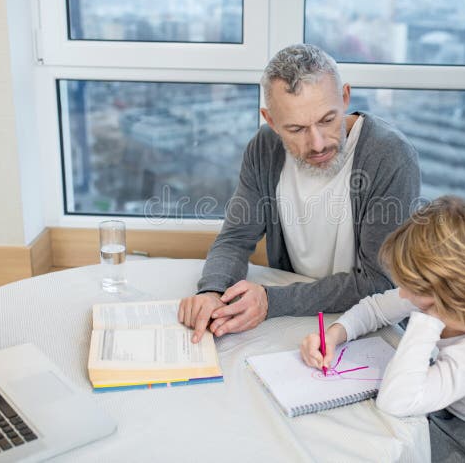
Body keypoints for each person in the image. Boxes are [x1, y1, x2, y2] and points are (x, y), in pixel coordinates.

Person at [178, 43, 421, 343]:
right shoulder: (264, 149)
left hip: (370, 324)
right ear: (271, 121)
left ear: (345, 97)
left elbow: (378, 283)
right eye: (296, 128)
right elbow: (235, 239)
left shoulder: (389, 156)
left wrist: (271, 301)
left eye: (327, 120)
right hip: (300, 317)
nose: (317, 143)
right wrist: (212, 291)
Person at [301, 196, 465, 462]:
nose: (402, 294)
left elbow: (394, 402)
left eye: (412, 287)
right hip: (454, 406)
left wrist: (425, 321)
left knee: (374, 447)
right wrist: (335, 335)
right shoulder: (455, 300)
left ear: (446, 295)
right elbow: (375, 309)